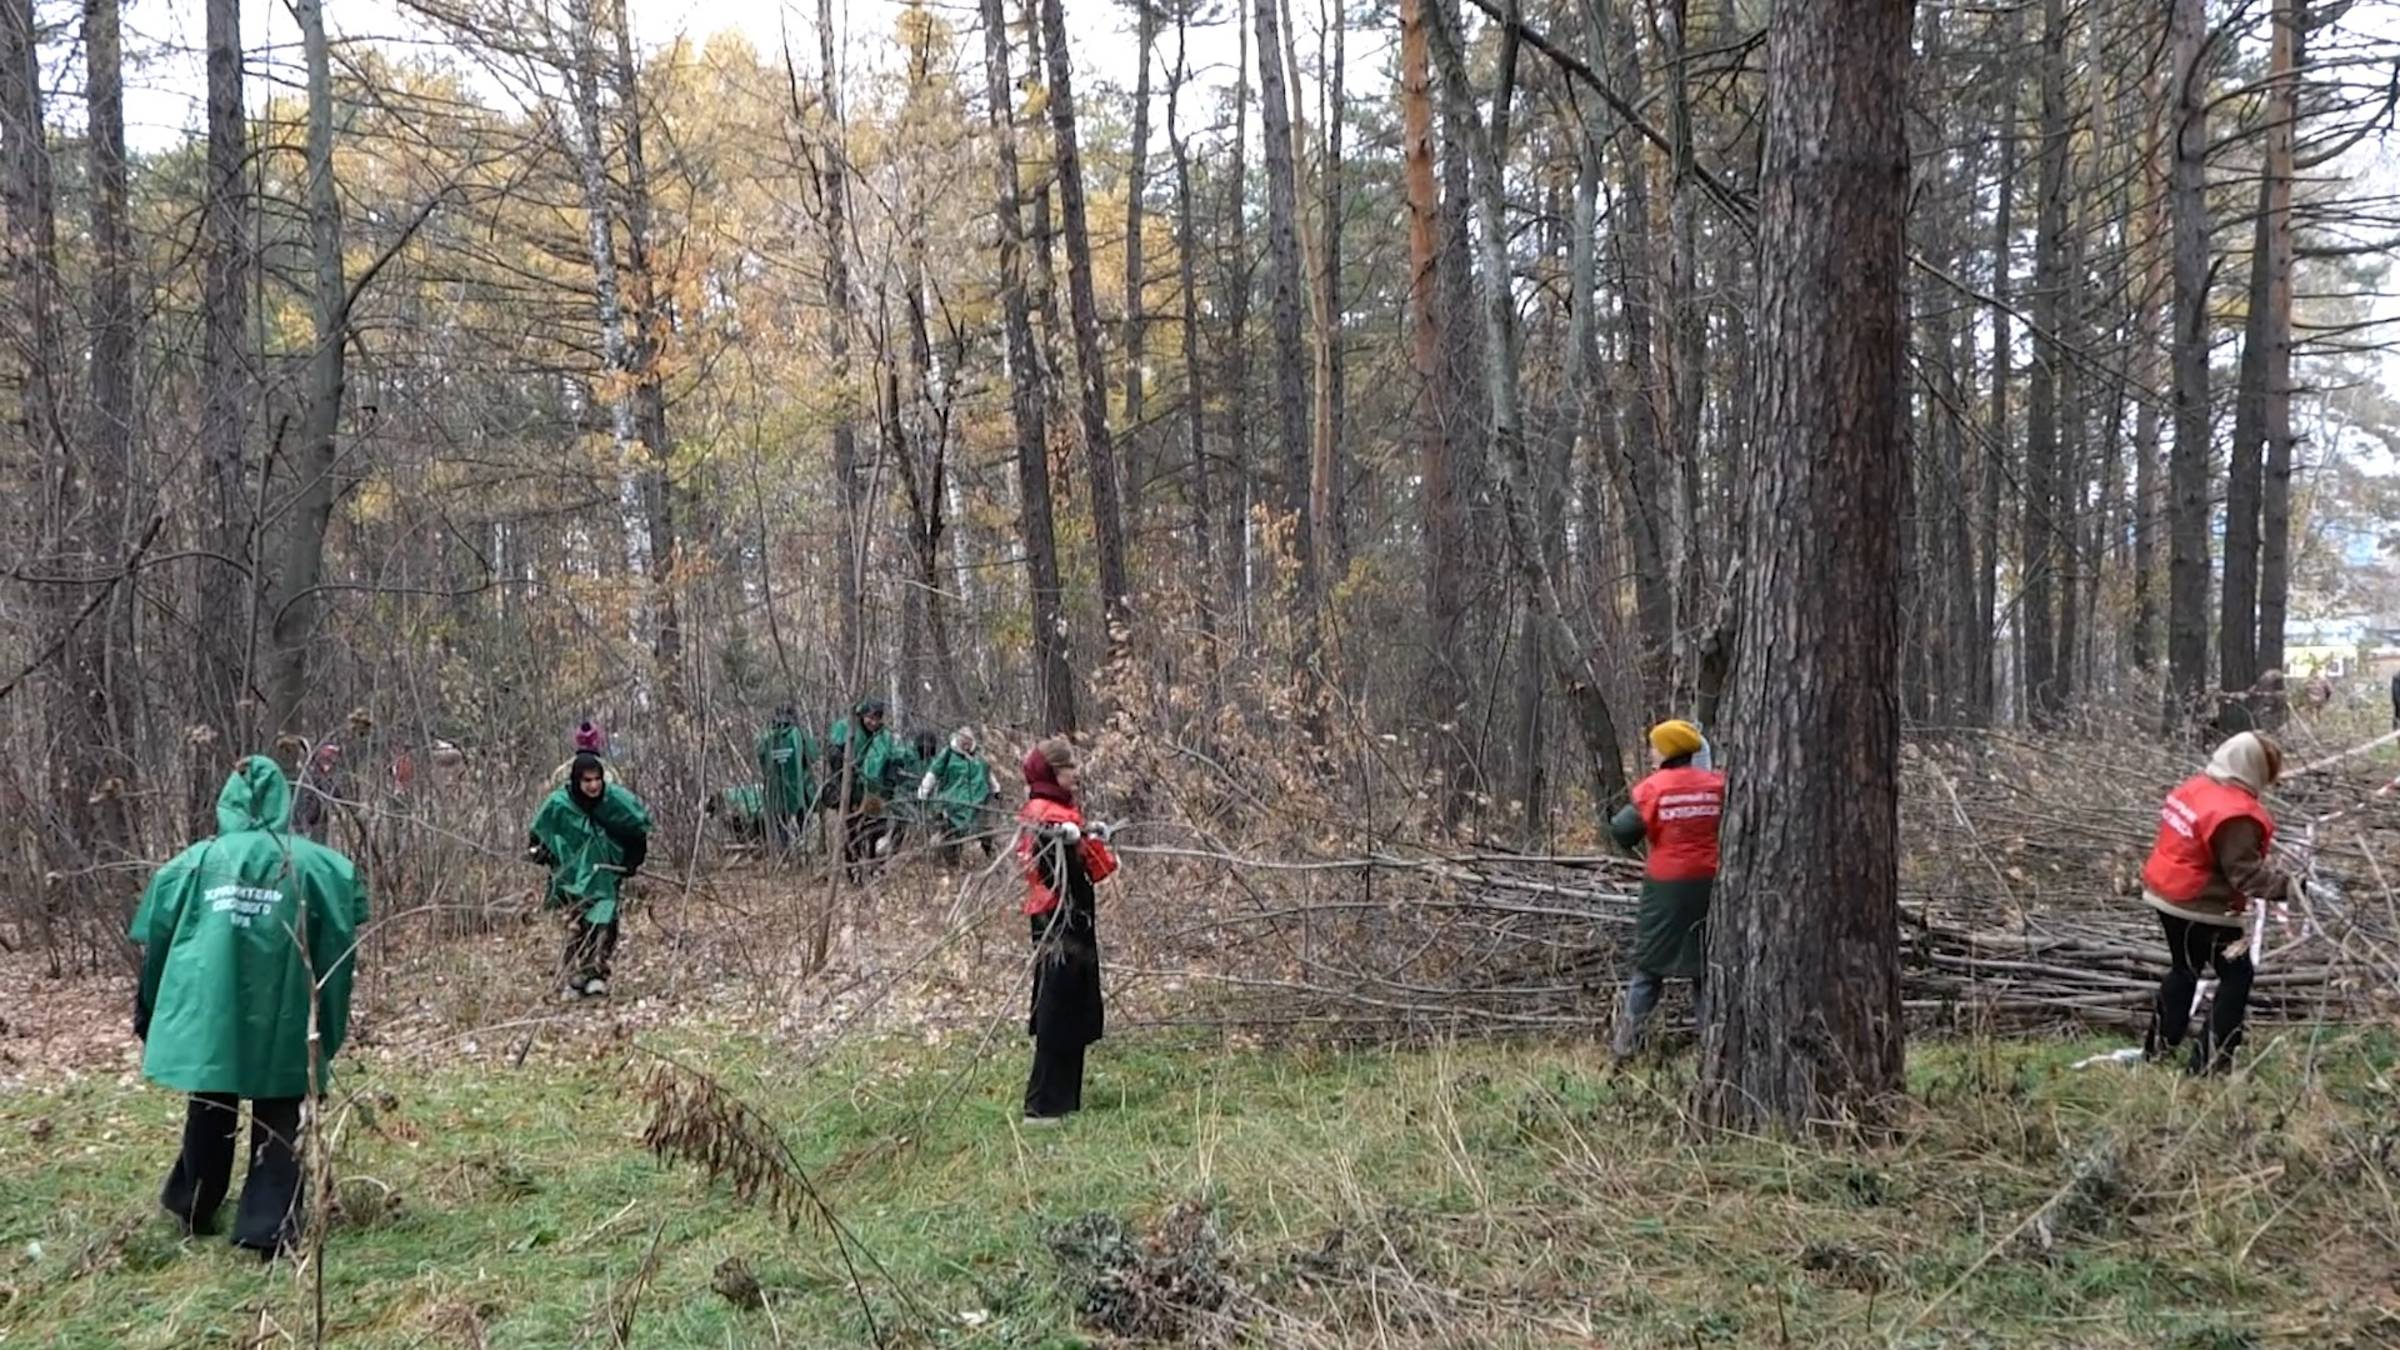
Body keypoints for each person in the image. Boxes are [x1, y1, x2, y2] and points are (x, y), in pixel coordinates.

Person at [130, 755, 366, 1259]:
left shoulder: (192, 864)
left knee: (211, 1099)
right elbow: (341, 944)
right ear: (284, 800)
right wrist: (330, 1020)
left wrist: (149, 1010)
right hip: (284, 1011)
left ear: (227, 800)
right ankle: (267, 1225)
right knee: (280, 1106)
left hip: (210, 1013)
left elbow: (155, 940)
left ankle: (192, 1201)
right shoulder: (320, 867)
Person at [2139, 731, 2300, 1074]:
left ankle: (2158, 1050)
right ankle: (2210, 1063)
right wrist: (2296, 888)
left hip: (2166, 894)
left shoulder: (2198, 787)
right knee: (2237, 976)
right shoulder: (2235, 815)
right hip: (2200, 905)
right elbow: (2245, 875)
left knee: (2184, 970)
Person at [1607, 719, 1724, 1060]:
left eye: (1654, 746)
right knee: (1705, 968)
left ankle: (1627, 1047)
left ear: (1667, 751)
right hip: (1712, 885)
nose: (1650, 752)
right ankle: (1712, 1050)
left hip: (1666, 889)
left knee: (1649, 967)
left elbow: (1623, 831)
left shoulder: (1653, 788)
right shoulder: (1719, 785)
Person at [1017, 739, 1118, 1123]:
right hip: (1056, 920)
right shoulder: (1042, 813)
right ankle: (1041, 1105)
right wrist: (1060, 839)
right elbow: (1044, 868)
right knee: (1057, 1006)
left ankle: (1064, 1099)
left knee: (1073, 1005)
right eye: (1069, 768)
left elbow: (1089, 867)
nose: (1076, 775)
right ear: (1052, 773)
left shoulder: (1061, 812)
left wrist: (1090, 836)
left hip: (1074, 918)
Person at [526, 752, 654, 999]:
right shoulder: (559, 804)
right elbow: (539, 835)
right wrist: (542, 853)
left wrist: (631, 862)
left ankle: (596, 973)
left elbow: (637, 832)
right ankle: (573, 977)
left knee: (605, 918)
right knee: (577, 924)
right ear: (577, 781)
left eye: (597, 779)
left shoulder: (615, 800)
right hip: (572, 875)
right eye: (587, 781)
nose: (593, 785)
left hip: (606, 872)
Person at [822, 699, 897, 876]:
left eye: (877, 718)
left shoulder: (883, 737)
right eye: (870, 717)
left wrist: (889, 783)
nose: (873, 722)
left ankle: (873, 866)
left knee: (875, 827)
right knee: (852, 830)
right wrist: (846, 777)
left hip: (873, 791)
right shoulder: (846, 729)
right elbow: (834, 758)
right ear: (862, 715)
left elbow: (890, 761)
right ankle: (852, 868)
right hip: (850, 790)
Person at [920, 727, 1000, 865]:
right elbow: (933, 772)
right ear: (957, 740)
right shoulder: (948, 754)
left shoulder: (978, 757)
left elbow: (988, 773)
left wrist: (996, 788)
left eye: (968, 742)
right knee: (951, 833)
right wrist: (924, 790)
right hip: (952, 803)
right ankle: (952, 862)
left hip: (977, 802)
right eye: (963, 742)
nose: (966, 745)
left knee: (984, 830)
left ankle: (992, 859)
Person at [755, 706, 817, 859]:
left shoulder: (767, 737)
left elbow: (761, 758)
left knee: (780, 820)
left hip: (776, 789)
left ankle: (785, 854)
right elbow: (813, 755)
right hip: (799, 788)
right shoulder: (799, 734)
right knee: (803, 819)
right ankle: (803, 851)